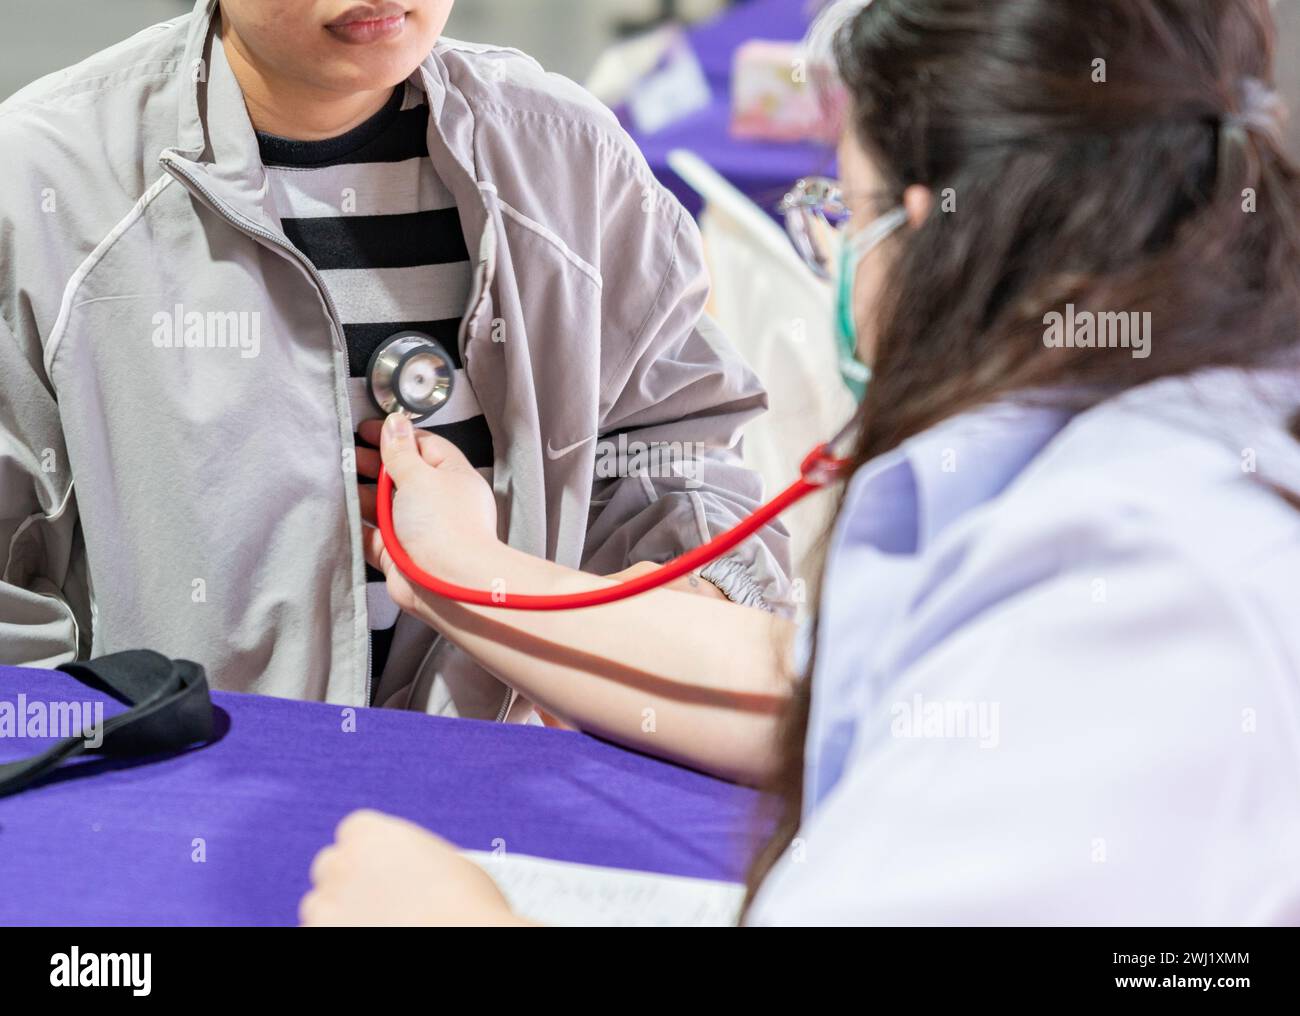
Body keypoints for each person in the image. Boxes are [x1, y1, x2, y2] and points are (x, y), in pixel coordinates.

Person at [301, 0, 1300, 925]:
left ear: (930, 235)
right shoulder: (1114, 469)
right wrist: (464, 571)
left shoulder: (1141, 585)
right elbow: (805, 683)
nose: (835, 253)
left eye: (842, 213)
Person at [0, 0, 791, 717]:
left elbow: (679, 454)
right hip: (185, 811)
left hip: (503, 809)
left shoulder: (566, 161)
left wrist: (682, 603)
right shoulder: (48, 184)